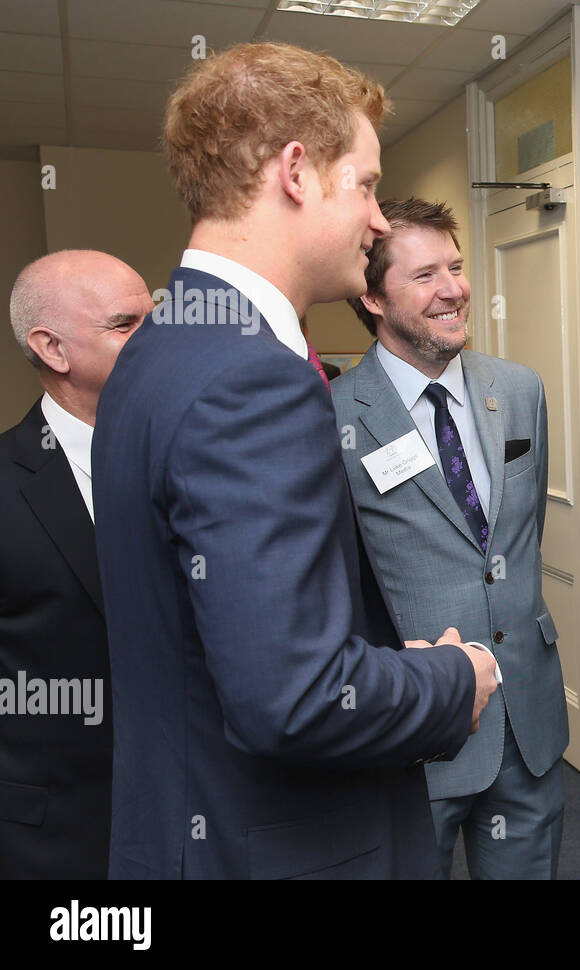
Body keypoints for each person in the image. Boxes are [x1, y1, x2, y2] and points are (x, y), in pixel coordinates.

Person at [91, 42, 498, 880]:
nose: (379, 219)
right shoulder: (253, 379)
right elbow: (297, 698)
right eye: (367, 184)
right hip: (279, 844)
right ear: (296, 172)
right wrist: (454, 678)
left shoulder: (160, 347)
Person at [334, 197, 568, 879]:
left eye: (457, 267)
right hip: (413, 729)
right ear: (373, 297)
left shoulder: (519, 390)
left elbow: (512, 546)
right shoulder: (333, 416)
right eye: (425, 275)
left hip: (526, 712)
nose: (454, 289)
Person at [0, 250, 152, 878]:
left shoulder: (206, 461)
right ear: (53, 349)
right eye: (126, 325)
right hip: (59, 841)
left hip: (207, 826)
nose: (156, 343)